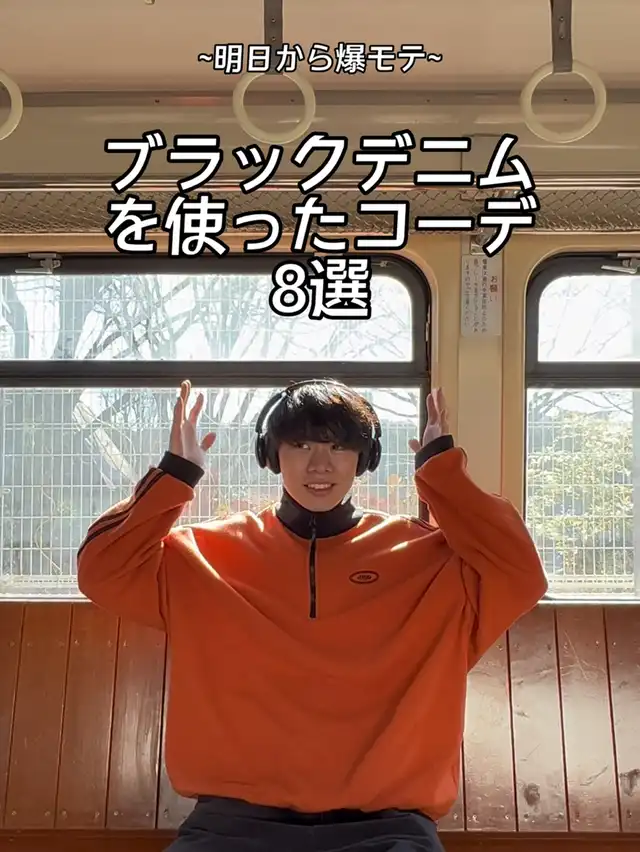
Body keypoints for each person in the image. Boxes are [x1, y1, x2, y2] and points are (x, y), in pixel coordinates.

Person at [77, 378, 548, 852]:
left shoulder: (428, 557)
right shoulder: (202, 554)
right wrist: (176, 474)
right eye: (300, 444)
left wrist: (442, 472)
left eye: (339, 446)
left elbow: (521, 573)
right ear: (271, 453)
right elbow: (102, 571)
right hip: (231, 827)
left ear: (365, 457)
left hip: (388, 830)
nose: (319, 464)